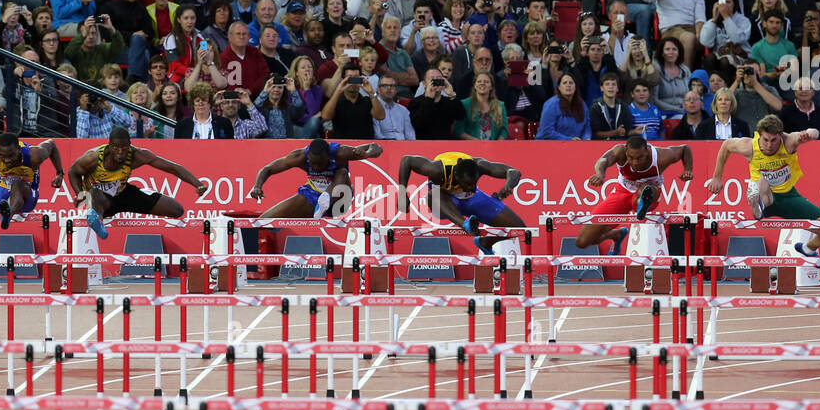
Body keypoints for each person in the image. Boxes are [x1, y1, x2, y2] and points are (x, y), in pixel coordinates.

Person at [708, 115, 820, 257]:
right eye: (765, 140)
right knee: (763, 180)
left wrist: (809, 134)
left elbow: (814, 132)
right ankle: (758, 206)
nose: (769, 145)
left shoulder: (789, 141)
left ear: (780, 135)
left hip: (789, 198)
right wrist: (717, 177)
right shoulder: (749, 146)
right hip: (765, 196)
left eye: (774, 140)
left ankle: (807, 248)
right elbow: (726, 146)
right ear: (759, 135)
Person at [67, 127, 207, 239]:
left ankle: (144, 194)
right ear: (109, 146)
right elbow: (73, 172)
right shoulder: (93, 157)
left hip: (123, 193)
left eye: (124, 148)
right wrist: (81, 195)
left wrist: (197, 183)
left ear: (130, 145)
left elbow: (173, 167)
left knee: (177, 210)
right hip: (100, 199)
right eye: (116, 148)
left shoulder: (137, 154)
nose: (121, 153)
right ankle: (96, 218)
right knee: (94, 193)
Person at [574, 135, 693, 255]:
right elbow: (603, 160)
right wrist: (600, 174)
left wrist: (688, 170)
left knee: (646, 187)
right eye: (631, 158)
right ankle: (617, 234)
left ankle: (641, 203)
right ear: (626, 151)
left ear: (647, 151)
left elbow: (684, 149)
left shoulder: (661, 156)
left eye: (639, 158)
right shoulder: (620, 151)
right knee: (583, 241)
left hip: (651, 194)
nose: (635, 162)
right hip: (622, 192)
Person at [396, 152, 527, 254]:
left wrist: (508, 186)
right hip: (445, 204)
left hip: (471, 200)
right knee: (432, 194)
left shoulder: (479, 165)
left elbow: (514, 172)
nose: (471, 186)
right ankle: (465, 224)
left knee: (518, 228)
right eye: (467, 184)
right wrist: (402, 192)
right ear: (456, 177)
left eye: (473, 183)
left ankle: (485, 242)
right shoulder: (437, 170)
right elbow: (407, 160)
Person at [249, 139, 383, 218]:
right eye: (312, 163)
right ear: (308, 158)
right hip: (312, 194)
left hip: (340, 198)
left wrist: (367, 153)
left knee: (342, 172)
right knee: (263, 220)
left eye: (320, 163)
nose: (316, 167)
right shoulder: (299, 156)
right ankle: (320, 205)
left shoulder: (341, 153)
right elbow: (267, 169)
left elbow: (376, 147)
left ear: (329, 156)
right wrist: (257, 186)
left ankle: (325, 200)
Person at [538, 73, 589, 140]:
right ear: (559, 87)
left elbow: (587, 127)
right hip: (550, 145)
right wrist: (569, 139)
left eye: (571, 83)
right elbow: (546, 132)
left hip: (576, 144)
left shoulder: (582, 104)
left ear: (575, 87)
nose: (568, 85)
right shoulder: (551, 104)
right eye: (565, 83)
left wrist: (587, 138)